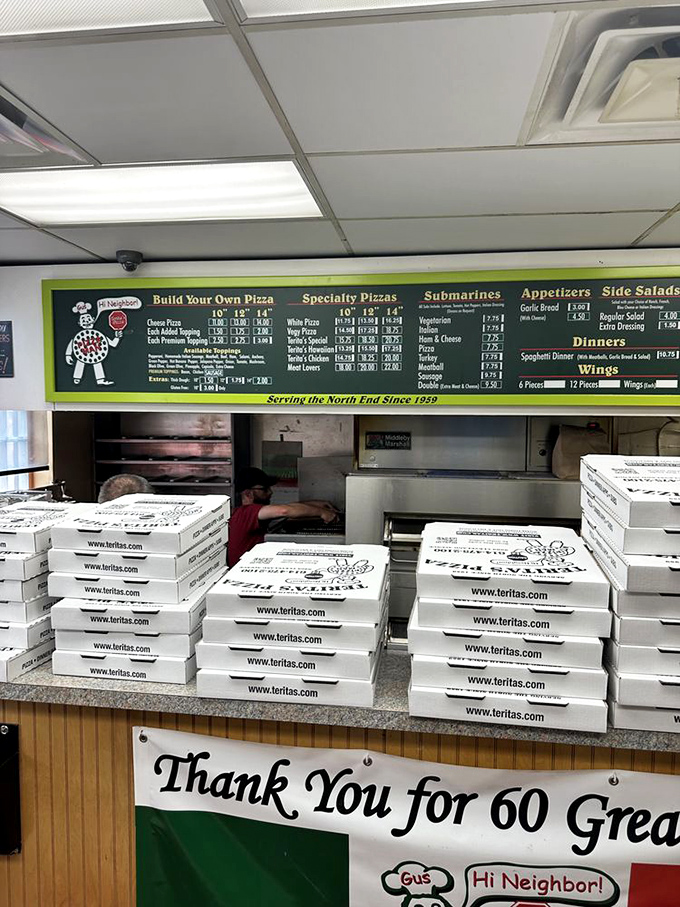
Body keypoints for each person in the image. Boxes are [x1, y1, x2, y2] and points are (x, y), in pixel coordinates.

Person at [227, 466, 338, 567]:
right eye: (265, 489)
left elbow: (289, 508)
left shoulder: (253, 514)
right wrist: (323, 513)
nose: (270, 492)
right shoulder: (246, 513)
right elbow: (284, 510)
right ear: (248, 494)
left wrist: (318, 505)